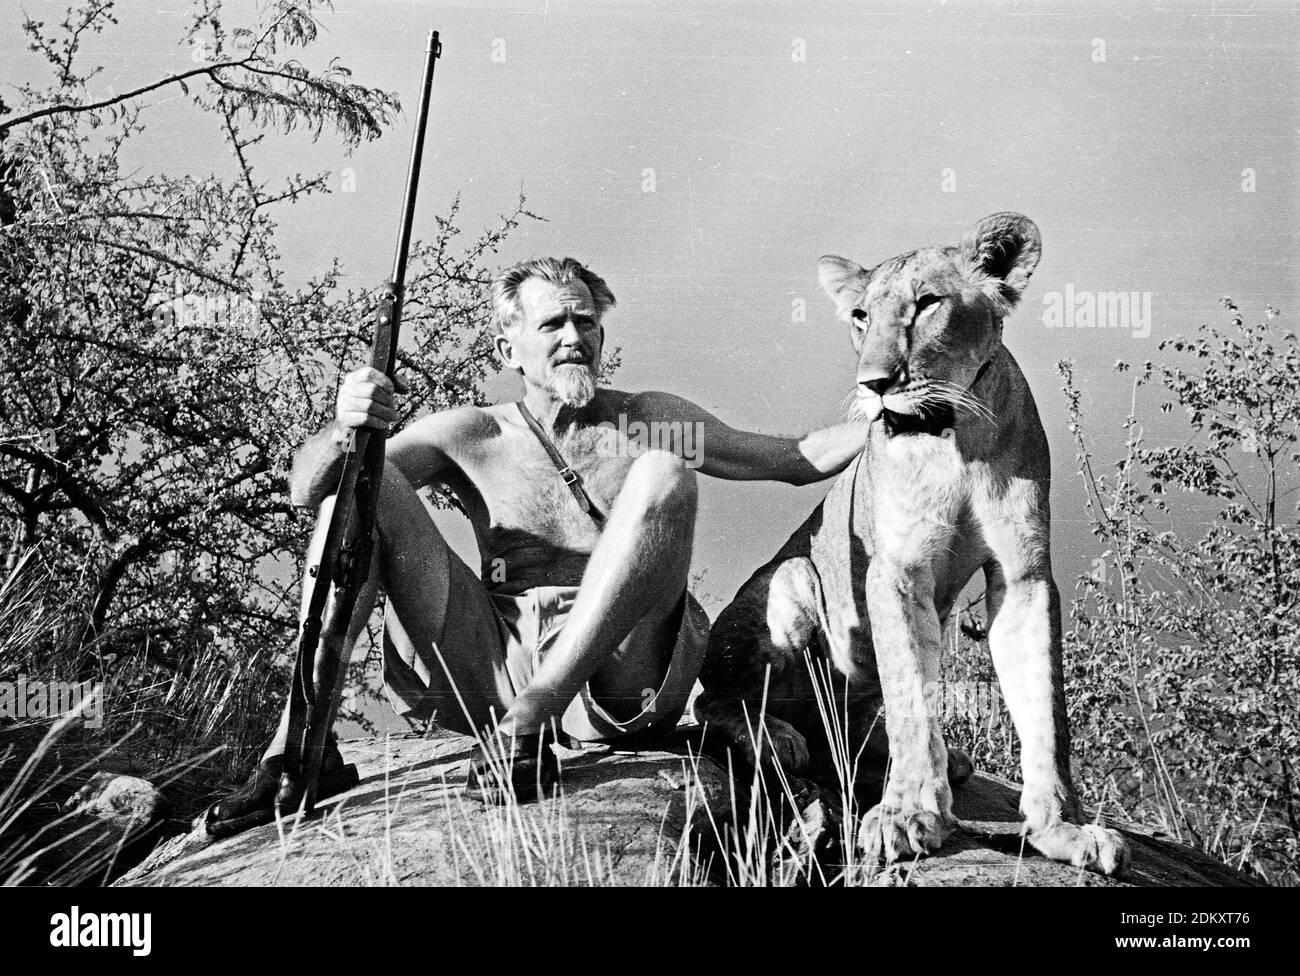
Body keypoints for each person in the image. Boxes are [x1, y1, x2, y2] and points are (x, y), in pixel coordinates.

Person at [206, 256, 871, 835]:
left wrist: (890, 409)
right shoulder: (472, 435)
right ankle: (298, 748)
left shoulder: (646, 419)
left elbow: (794, 458)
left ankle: (534, 716)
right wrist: (347, 428)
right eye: (553, 324)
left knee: (665, 473)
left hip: (619, 673)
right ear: (508, 349)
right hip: (490, 658)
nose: (574, 337)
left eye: (586, 324)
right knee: (366, 483)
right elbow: (313, 490)